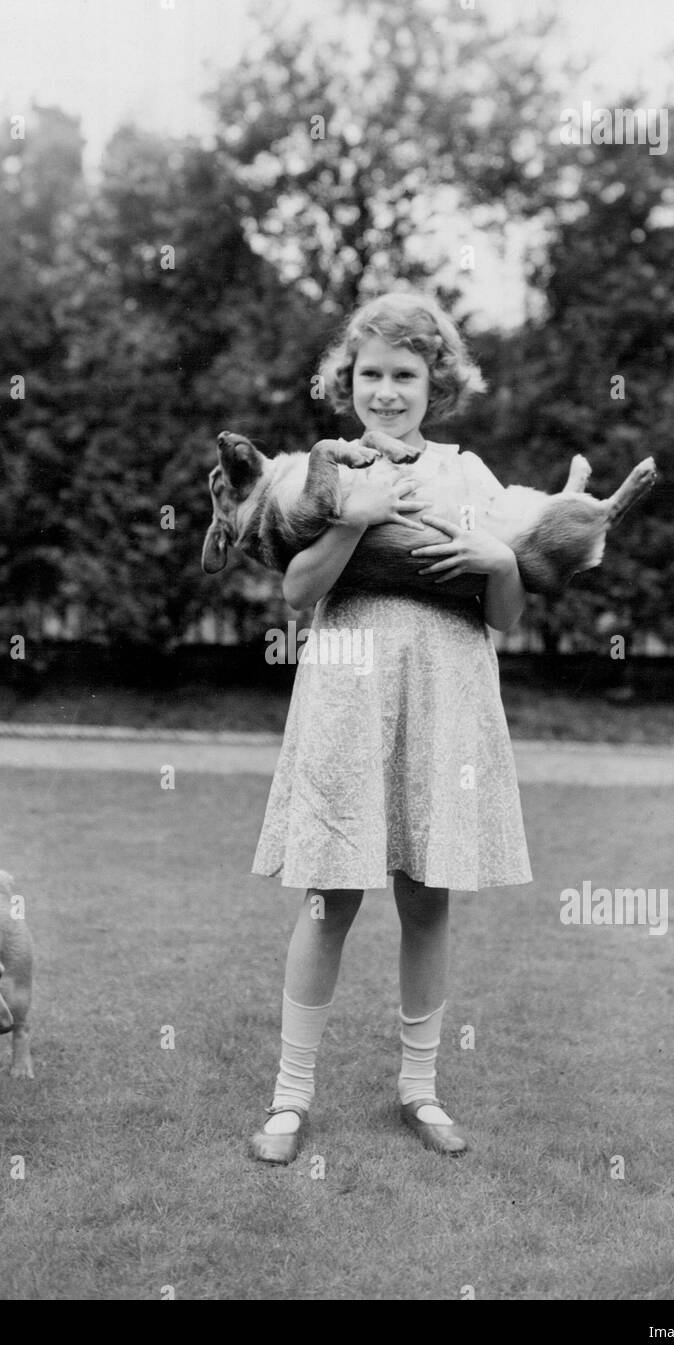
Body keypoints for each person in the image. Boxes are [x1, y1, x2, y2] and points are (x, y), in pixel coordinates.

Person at [249, 291, 532, 1163]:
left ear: (432, 383)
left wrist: (499, 560)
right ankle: (290, 1101)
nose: (385, 390)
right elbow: (298, 592)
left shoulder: (467, 474)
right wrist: (355, 519)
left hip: (445, 689)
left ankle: (420, 1090)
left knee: (425, 894)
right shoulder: (320, 468)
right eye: (370, 373)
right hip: (346, 693)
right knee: (330, 893)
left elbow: (506, 618)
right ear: (347, 381)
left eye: (403, 375)